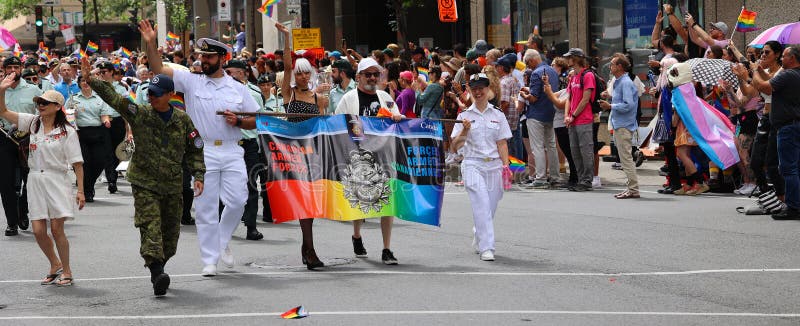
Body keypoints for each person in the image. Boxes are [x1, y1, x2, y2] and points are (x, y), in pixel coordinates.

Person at [139, 20, 260, 276]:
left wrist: (238, 120)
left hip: (231, 149)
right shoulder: (191, 81)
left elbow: (256, 118)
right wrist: (150, 43)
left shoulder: (237, 88)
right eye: (202, 56)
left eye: (209, 56)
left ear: (222, 58)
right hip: (202, 152)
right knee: (205, 208)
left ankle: (221, 240)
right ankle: (210, 260)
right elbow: (158, 68)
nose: (203, 60)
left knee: (239, 200)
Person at [84, 56, 205, 295]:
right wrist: (91, 79)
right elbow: (115, 98)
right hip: (144, 181)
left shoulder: (182, 120)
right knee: (150, 226)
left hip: (172, 184)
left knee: (170, 235)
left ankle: (159, 263)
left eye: (157, 93)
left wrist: (199, 174)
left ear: (170, 94)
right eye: (149, 93)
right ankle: (157, 273)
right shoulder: (140, 113)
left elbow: (195, 149)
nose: (151, 96)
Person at [1, 79, 84, 286]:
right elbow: (2, 111)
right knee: (38, 231)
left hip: (57, 180)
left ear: (57, 107)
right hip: (35, 178)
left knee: (57, 230)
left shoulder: (68, 132)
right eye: (39, 102)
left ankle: (67, 270)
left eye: (45, 102)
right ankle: (54, 263)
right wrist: (1, 90)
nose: (40, 105)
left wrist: (81, 190)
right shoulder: (32, 122)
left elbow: (77, 164)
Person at [335, 57, 404, 265]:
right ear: (359, 77)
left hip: (384, 156)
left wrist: (397, 117)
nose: (372, 78)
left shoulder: (385, 97)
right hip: (358, 157)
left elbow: (396, 116)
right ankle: (357, 235)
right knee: (360, 201)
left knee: (388, 202)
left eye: (376, 74)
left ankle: (386, 248)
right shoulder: (349, 98)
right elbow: (337, 123)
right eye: (368, 74)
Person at [275, 23, 331, 270]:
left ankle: (307, 248)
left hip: (313, 152)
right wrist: (287, 38)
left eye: (307, 73)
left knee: (310, 203)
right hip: (292, 152)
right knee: (303, 202)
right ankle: (310, 251)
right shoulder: (290, 94)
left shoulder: (319, 98)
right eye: (300, 73)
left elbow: (323, 126)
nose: (303, 77)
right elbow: (287, 65)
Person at [450, 73, 511, 261]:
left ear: (488, 89)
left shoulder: (498, 115)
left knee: (490, 207)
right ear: (469, 90)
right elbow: (455, 146)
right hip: (472, 164)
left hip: (494, 166)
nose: (478, 92)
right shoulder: (464, 116)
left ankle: (479, 231)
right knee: (482, 204)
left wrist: (506, 166)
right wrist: (465, 130)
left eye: (481, 88)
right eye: (474, 89)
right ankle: (487, 248)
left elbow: (502, 143)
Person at [752, 46, 800, 220]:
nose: (782, 59)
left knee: (788, 168)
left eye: (785, 56)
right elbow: (772, 80)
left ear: (793, 59)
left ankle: (793, 207)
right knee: (794, 168)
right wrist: (759, 69)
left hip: (788, 127)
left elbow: (764, 87)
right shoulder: (792, 75)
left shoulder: (788, 75)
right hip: (793, 126)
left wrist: (753, 73)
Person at [223, 59, 266, 240]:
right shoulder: (221, 91)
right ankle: (222, 225)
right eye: (227, 72)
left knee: (251, 185)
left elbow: (261, 120)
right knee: (224, 185)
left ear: (243, 73)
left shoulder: (254, 93)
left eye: (232, 72)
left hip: (249, 144)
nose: (229, 76)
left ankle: (251, 226)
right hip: (228, 143)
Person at [1, 56, 42, 236]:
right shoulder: (0, 90)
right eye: (8, 67)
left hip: (28, 139)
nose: (12, 70)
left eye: (15, 67)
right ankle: (11, 222)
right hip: (4, 138)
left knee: (31, 180)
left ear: (21, 68)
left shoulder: (33, 89)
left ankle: (22, 210)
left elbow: (41, 114)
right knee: (5, 183)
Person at [66, 76, 113, 203]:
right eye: (83, 81)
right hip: (80, 133)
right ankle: (87, 191)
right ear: (79, 84)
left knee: (100, 161)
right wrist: (72, 115)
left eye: (88, 81)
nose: (85, 83)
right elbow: (67, 115)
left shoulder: (99, 98)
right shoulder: (73, 98)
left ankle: (89, 185)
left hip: (97, 132)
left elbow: (104, 115)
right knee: (83, 163)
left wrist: (106, 121)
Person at [599, 54, 640, 199]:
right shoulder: (619, 81)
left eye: (612, 64)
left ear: (620, 67)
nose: (610, 66)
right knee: (624, 159)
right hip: (620, 124)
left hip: (624, 125)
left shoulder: (625, 82)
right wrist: (610, 98)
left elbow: (629, 105)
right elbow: (623, 100)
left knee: (626, 159)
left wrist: (610, 105)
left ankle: (633, 189)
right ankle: (631, 188)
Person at [520, 50, 560, 189]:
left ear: (531, 60)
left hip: (536, 114)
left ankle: (541, 178)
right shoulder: (553, 71)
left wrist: (525, 95)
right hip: (550, 112)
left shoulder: (536, 73)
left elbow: (534, 97)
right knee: (551, 146)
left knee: (537, 147)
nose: (527, 66)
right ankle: (555, 176)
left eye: (527, 63)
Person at [563, 48, 596, 191]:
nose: (567, 59)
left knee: (586, 151)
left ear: (576, 58)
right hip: (572, 120)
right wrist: (566, 115)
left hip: (584, 119)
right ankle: (581, 179)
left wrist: (573, 115)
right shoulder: (573, 77)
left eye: (569, 57)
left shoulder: (587, 75)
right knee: (575, 151)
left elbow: (585, 99)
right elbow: (568, 98)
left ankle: (587, 181)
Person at [95, 61, 127, 194]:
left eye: (104, 72)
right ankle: (111, 180)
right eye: (100, 72)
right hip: (103, 121)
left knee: (115, 152)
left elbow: (126, 107)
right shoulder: (96, 86)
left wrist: (128, 126)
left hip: (118, 121)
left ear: (112, 72)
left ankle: (113, 174)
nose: (102, 74)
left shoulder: (121, 88)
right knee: (107, 151)